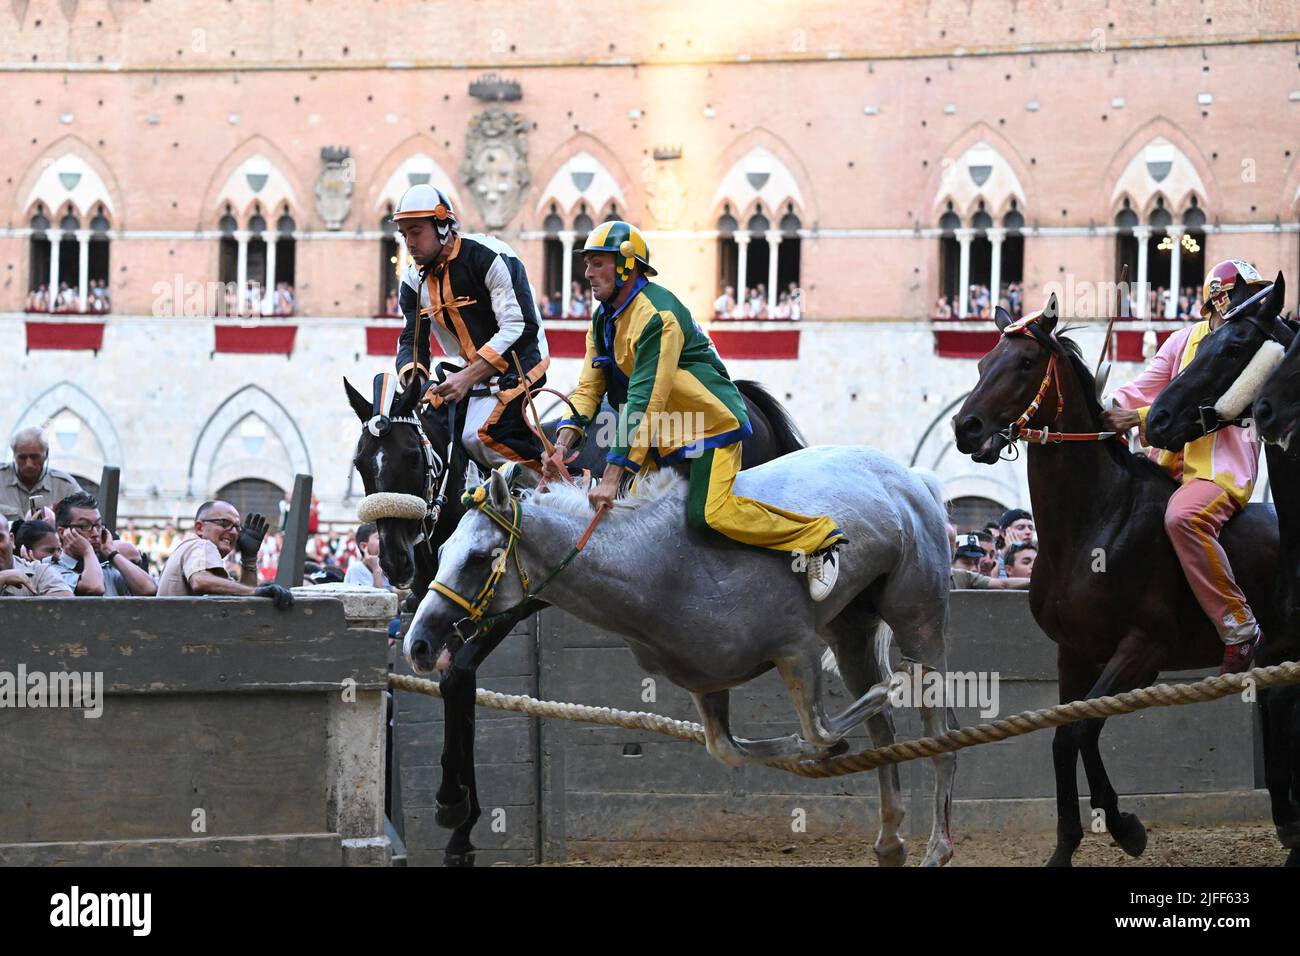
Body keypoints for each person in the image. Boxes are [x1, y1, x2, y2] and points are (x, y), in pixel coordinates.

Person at [543, 220, 846, 601]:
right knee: (628, 518)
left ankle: (818, 538)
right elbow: (589, 387)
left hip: (707, 425)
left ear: (627, 265)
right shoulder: (603, 317)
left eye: (597, 263)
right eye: (586, 263)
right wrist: (562, 443)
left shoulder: (657, 316)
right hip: (662, 434)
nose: (587, 273)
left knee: (710, 514)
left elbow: (644, 398)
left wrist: (611, 474)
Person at [1101, 258, 1273, 673]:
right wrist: (1104, 410)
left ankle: (1240, 626)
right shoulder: (1181, 341)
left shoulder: (1255, 350)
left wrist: (1137, 418)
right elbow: (1143, 388)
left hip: (1219, 472)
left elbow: (1210, 408)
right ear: (1219, 300)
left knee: (1184, 518)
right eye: (1244, 297)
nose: (1253, 306)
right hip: (1162, 467)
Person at [393, 183, 551, 472]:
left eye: (415, 232)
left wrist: (467, 377)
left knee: (478, 436)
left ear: (442, 226)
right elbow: (412, 341)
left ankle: (556, 489)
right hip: (472, 370)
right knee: (432, 431)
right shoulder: (411, 280)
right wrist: (413, 384)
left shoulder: (490, 255)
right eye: (404, 235)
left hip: (522, 361)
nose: (409, 243)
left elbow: (521, 325)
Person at [157, 500, 293, 607]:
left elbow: (247, 600)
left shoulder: (188, 548)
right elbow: (199, 580)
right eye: (225, 523)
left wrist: (249, 558)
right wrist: (257, 591)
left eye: (237, 527)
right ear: (200, 528)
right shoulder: (202, 544)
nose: (233, 532)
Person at [52, 491, 157, 596]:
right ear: (62, 532)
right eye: (83, 526)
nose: (95, 533)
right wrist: (87, 551)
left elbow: (149, 589)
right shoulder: (52, 570)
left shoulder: (107, 568)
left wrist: (111, 552)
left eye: (97, 525)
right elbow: (95, 587)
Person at [0, 426, 84, 523]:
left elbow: (87, 520)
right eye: (22, 457)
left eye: (35, 457)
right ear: (14, 455)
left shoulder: (66, 487)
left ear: (46, 454)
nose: (29, 464)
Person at [0, 513, 72, 597]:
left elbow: (65, 605)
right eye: (50, 550)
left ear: (11, 540)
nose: (56, 555)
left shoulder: (39, 573)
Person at [951, 530, 1028, 590]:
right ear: (951, 560)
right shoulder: (953, 576)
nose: (974, 568)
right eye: (967, 562)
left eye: (976, 562)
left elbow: (1003, 584)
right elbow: (1003, 584)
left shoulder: (977, 580)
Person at [344, 523, 386, 588]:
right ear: (363, 546)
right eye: (379, 538)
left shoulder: (388, 567)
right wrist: (376, 569)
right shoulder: (356, 570)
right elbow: (379, 597)